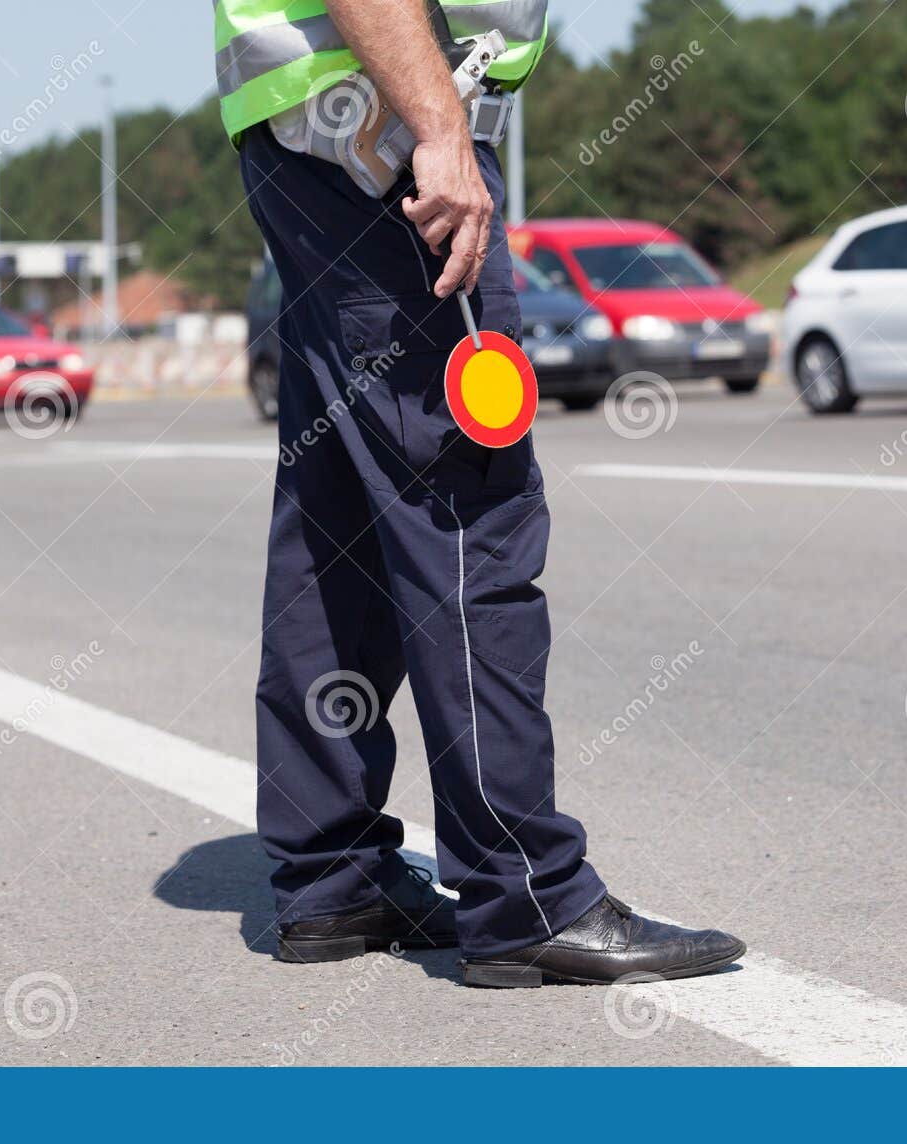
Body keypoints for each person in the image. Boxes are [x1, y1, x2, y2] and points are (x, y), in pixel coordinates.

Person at [213, 0, 744, 988]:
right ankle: (523, 892)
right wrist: (442, 132)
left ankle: (332, 872)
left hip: (319, 123)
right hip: (384, 127)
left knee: (339, 522)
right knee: (465, 503)